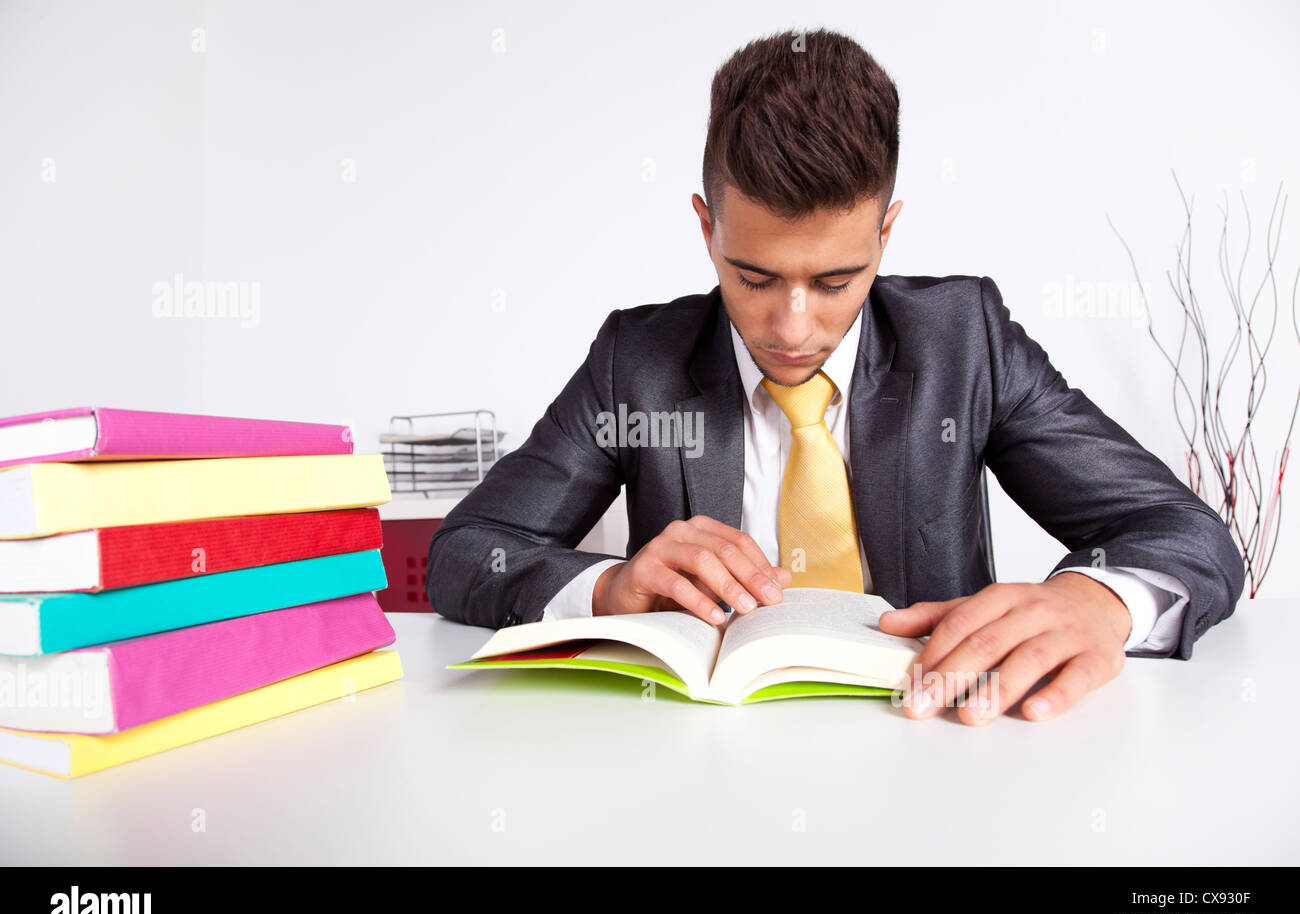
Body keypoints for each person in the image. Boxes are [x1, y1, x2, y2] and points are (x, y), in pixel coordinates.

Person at [428, 28, 1244, 725]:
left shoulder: (966, 340)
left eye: (833, 282)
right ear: (706, 228)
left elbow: (1188, 534)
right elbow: (466, 552)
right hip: (695, 758)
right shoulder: (633, 361)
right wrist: (606, 589)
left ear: (885, 237)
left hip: (940, 746)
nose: (792, 327)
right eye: (752, 278)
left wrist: (1100, 602)